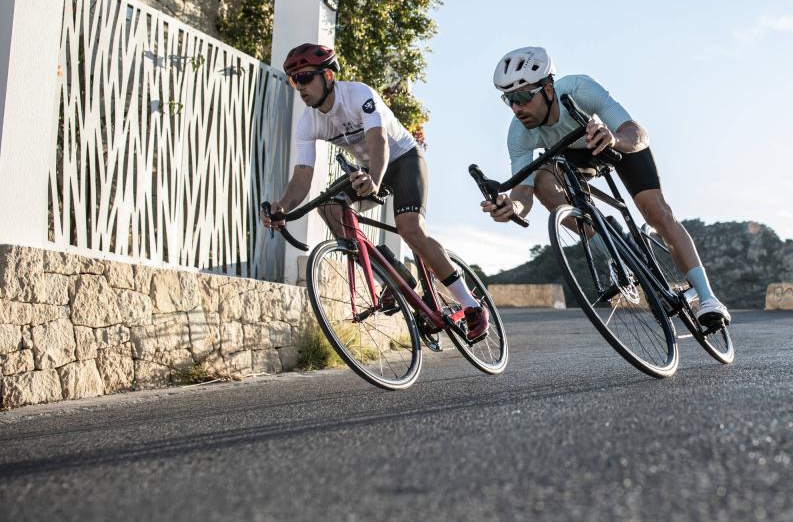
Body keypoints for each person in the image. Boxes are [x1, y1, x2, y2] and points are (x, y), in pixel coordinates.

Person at [479, 46, 731, 327]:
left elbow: (637, 133)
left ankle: (708, 298)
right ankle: (610, 243)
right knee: (540, 178)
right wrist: (510, 207)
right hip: (571, 157)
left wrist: (614, 139)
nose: (516, 108)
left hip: (612, 141)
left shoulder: (579, 89)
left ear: (548, 89)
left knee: (656, 211)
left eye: (523, 97)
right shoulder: (519, 133)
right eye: (509, 99)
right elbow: (523, 193)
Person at [260, 43, 488, 340]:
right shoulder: (309, 121)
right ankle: (395, 277)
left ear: (328, 76)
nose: (299, 87)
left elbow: (378, 141)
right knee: (329, 207)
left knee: (409, 228)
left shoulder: (358, 95)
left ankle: (471, 305)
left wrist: (375, 180)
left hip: (403, 159)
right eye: (294, 80)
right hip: (370, 169)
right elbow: (303, 175)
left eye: (305, 78)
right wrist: (282, 206)